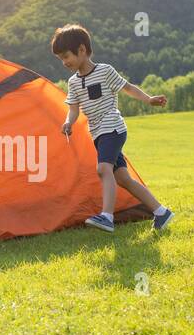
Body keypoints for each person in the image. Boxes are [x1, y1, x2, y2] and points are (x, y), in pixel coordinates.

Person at [52, 23, 175, 232]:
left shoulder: (105, 71)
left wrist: (148, 99)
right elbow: (73, 109)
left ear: (82, 50)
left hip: (113, 128)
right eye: (61, 59)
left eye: (66, 56)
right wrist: (68, 122)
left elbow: (127, 87)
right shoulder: (73, 83)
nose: (64, 62)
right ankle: (161, 212)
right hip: (98, 133)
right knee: (123, 179)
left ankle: (107, 217)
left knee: (103, 169)